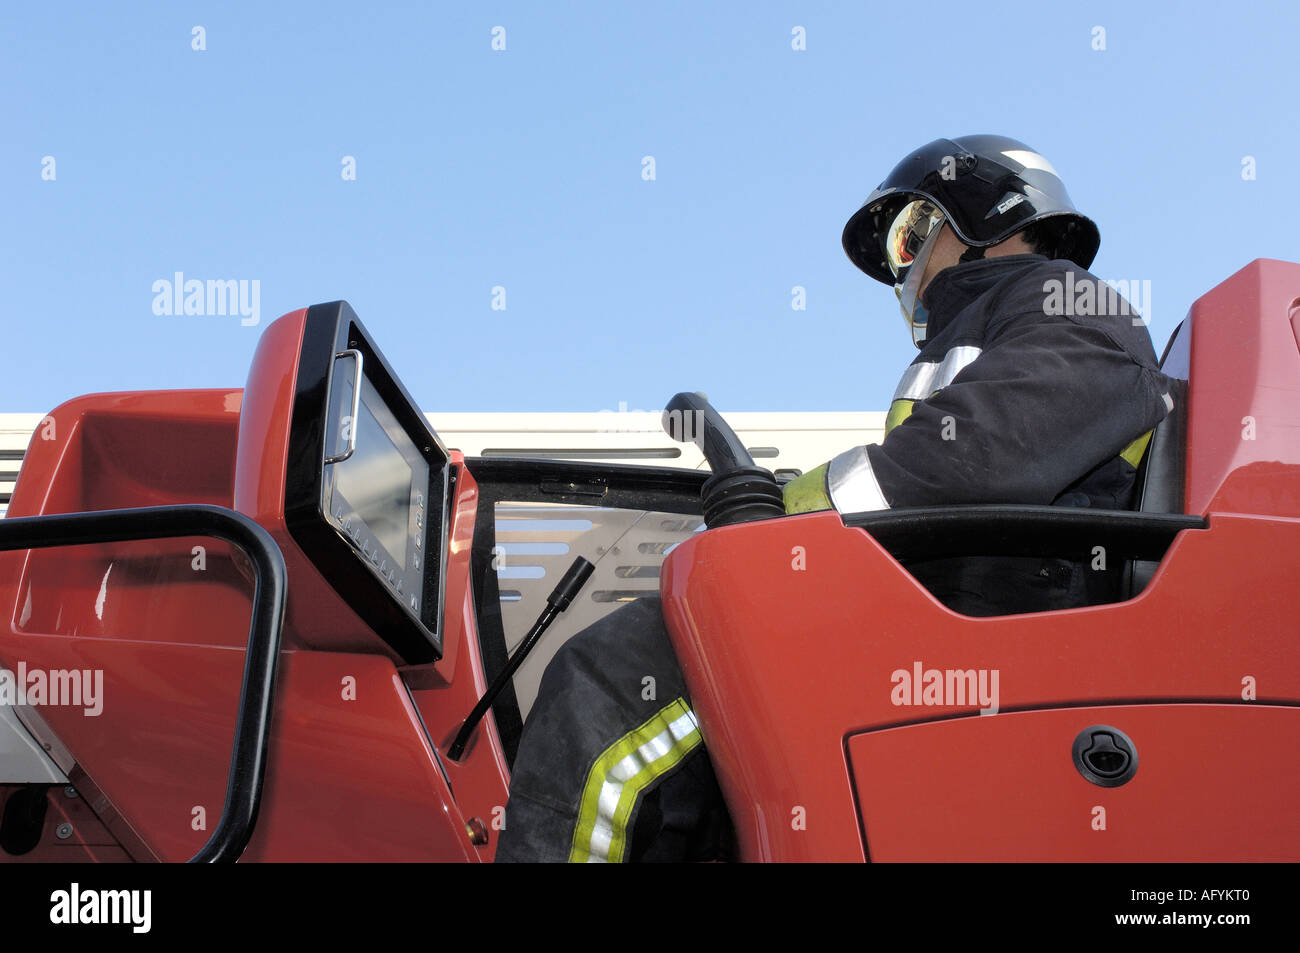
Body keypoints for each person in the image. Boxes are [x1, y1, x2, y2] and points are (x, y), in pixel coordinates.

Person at [495, 135, 1176, 862]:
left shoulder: (1066, 301)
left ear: (989, 212)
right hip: (928, 616)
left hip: (967, 632)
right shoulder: (993, 326)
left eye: (910, 237)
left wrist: (776, 518)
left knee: (605, 676)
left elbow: (976, 455)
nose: (900, 273)